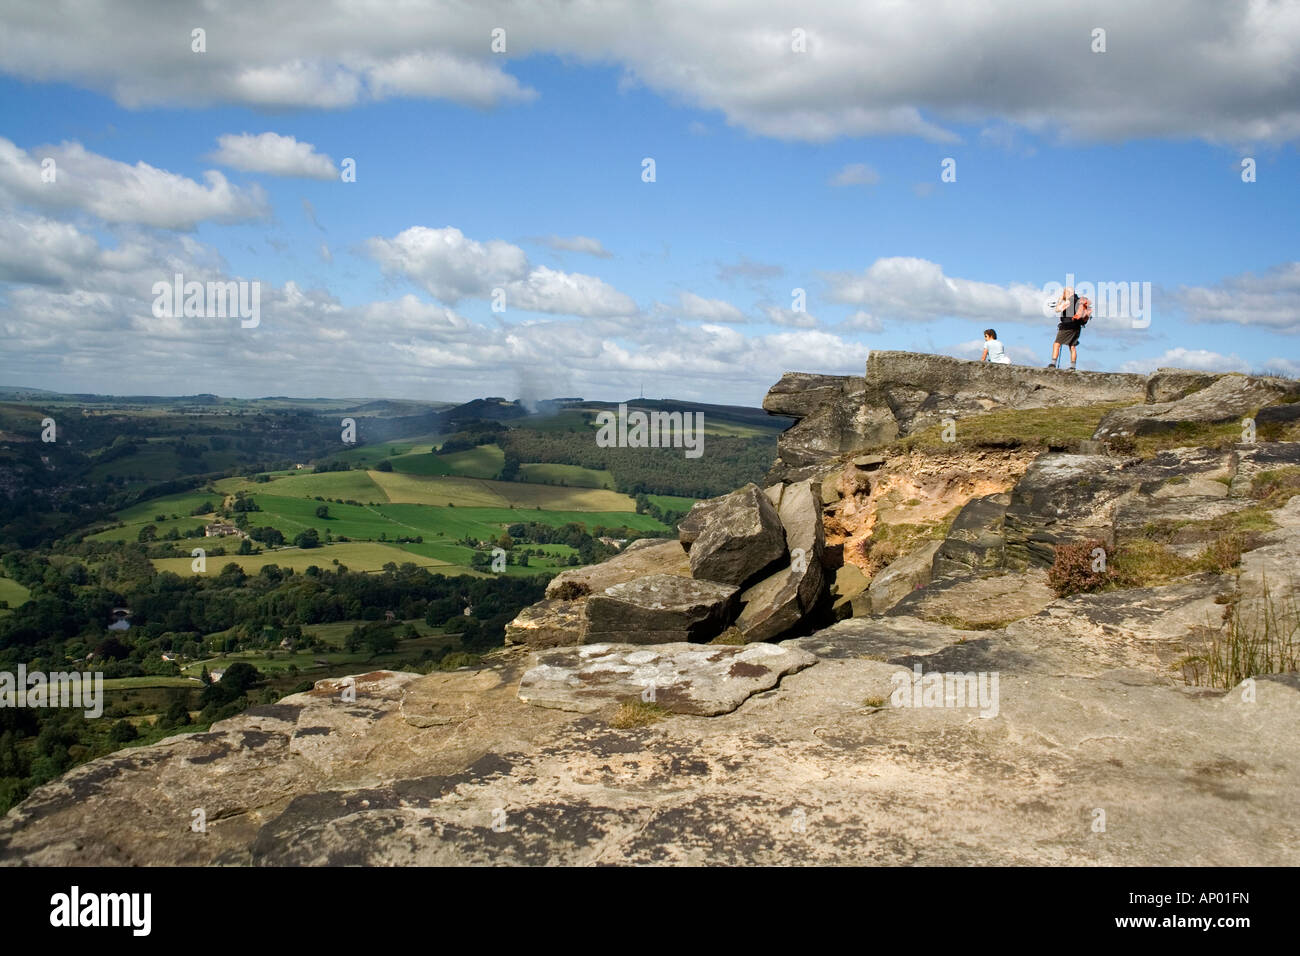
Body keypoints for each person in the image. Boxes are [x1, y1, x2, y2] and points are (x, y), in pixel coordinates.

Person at [1048, 285, 1082, 370]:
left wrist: (1060, 301)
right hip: (1077, 327)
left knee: (1057, 344)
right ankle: (1073, 366)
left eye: (1064, 293)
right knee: (1072, 346)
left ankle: (1053, 364)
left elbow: (1057, 309)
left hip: (1067, 326)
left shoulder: (1070, 301)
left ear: (1067, 293)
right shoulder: (1078, 301)